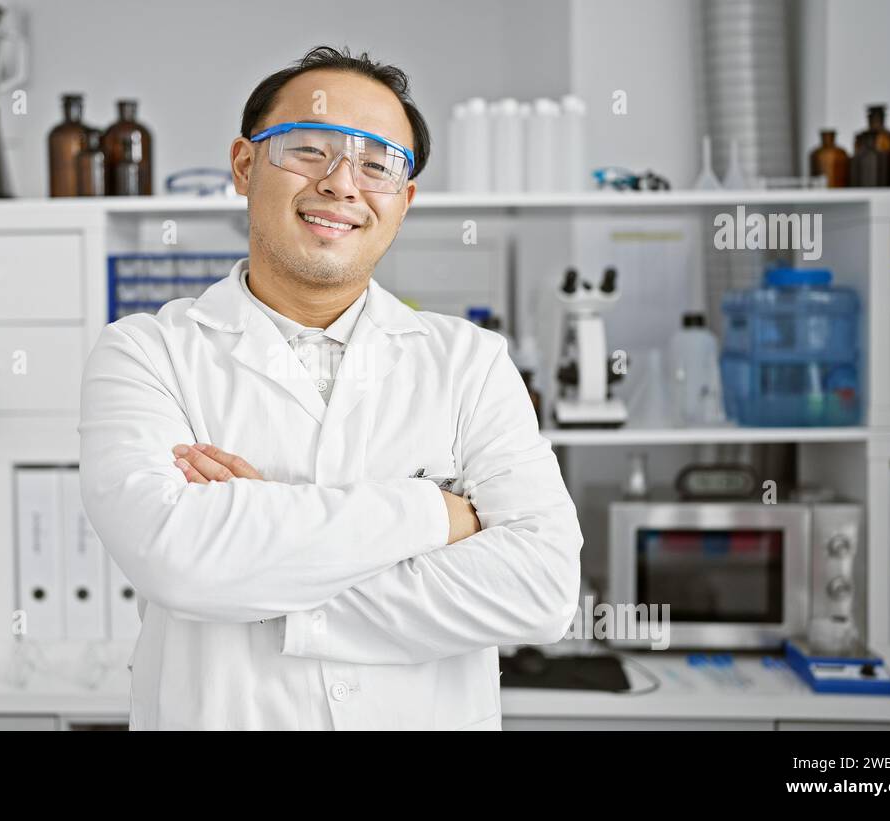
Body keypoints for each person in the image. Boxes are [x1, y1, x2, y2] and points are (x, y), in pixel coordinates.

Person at [78, 45, 583, 730]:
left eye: (377, 165)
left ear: (403, 202)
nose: (343, 184)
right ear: (244, 165)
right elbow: (179, 562)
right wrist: (435, 513)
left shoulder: (471, 361)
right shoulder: (145, 353)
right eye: (309, 150)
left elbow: (542, 589)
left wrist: (260, 554)